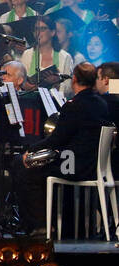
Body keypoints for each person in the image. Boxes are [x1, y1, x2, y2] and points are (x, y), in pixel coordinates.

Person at [18, 62, 111, 237]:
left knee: (28, 172)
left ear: (74, 79)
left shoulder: (74, 105)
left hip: (75, 166)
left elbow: (57, 139)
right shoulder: (101, 103)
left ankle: (41, 225)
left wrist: (31, 150)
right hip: (92, 164)